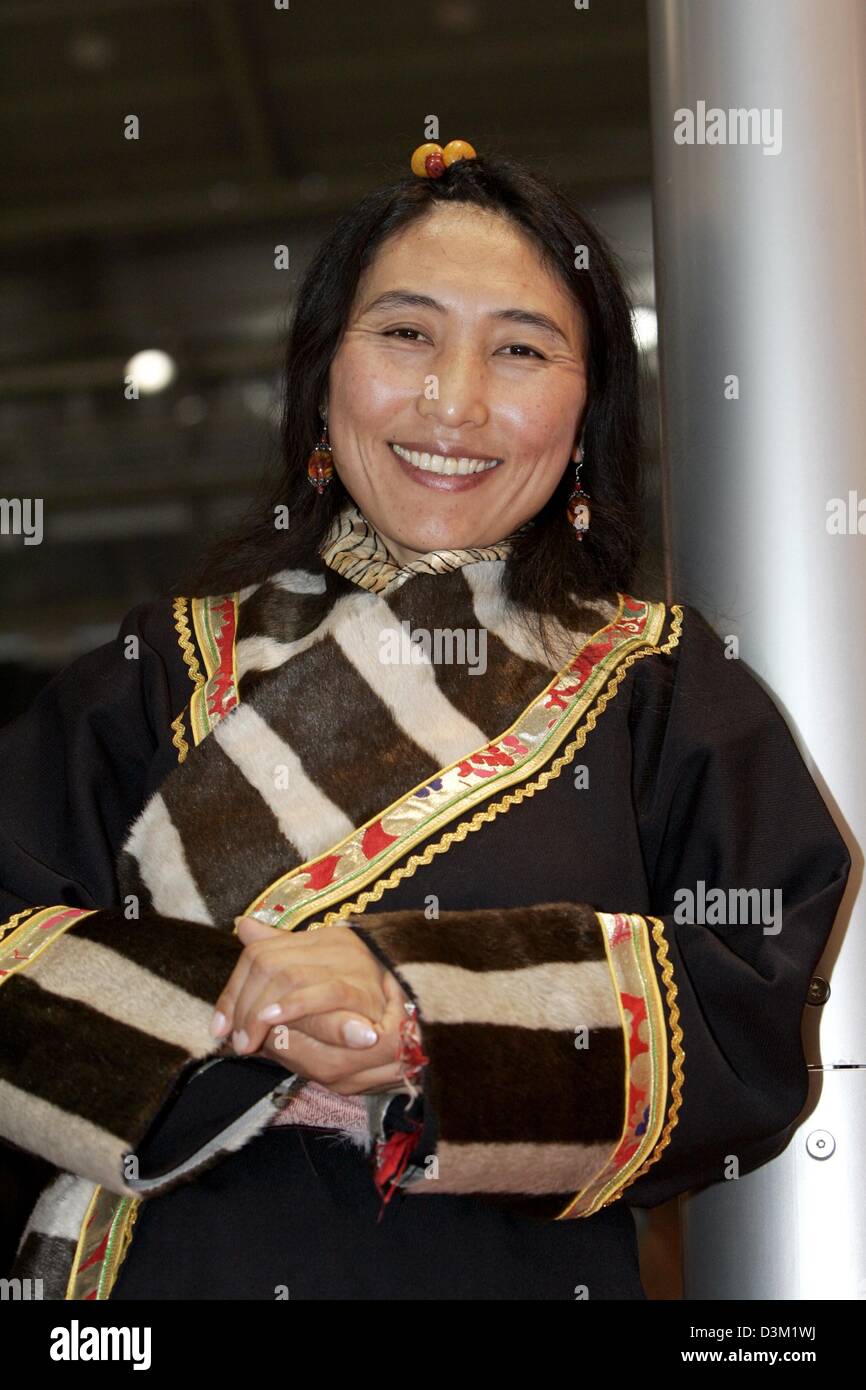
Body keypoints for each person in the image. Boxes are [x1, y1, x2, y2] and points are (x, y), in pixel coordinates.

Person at [0, 141, 850, 1301]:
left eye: (519, 347)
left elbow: (745, 1010)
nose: (453, 399)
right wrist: (247, 1038)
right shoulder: (156, 673)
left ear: (587, 403)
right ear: (323, 376)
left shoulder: (662, 688)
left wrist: (415, 1017)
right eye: (405, 333)